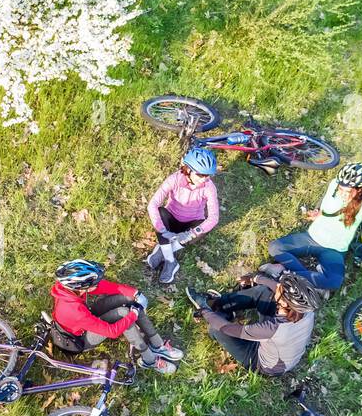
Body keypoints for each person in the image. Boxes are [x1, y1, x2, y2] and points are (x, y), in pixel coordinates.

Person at [266, 162, 362, 292]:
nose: (342, 193)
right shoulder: (333, 185)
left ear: (358, 190)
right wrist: (318, 213)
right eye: (341, 189)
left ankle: (285, 272)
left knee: (334, 282)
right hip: (311, 238)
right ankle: (301, 276)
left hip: (334, 250)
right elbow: (326, 205)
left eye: (348, 191)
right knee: (275, 247)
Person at [51, 259, 183, 374]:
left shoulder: (67, 288)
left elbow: (106, 287)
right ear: (81, 287)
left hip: (85, 317)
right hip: (80, 340)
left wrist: (136, 293)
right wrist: (134, 314)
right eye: (94, 283)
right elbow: (112, 331)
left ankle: (158, 345)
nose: (97, 284)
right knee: (125, 314)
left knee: (130, 300)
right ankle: (149, 360)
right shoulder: (73, 310)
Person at [184, 271, 320, 376]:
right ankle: (219, 305)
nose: (277, 286)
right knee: (265, 292)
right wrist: (255, 279)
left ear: (284, 302)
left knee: (216, 328)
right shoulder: (306, 310)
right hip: (281, 351)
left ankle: (209, 307)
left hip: (265, 365)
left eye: (281, 289)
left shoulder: (272, 328)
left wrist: (204, 312)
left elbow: (227, 328)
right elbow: (276, 288)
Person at [145, 146, 220, 283]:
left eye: (208, 175)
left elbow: (214, 217)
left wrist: (192, 233)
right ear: (188, 169)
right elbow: (153, 204)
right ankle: (170, 260)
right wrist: (162, 229)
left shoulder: (209, 187)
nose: (204, 179)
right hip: (171, 218)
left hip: (191, 224)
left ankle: (164, 250)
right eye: (200, 175)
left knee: (205, 226)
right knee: (160, 213)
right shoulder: (174, 179)